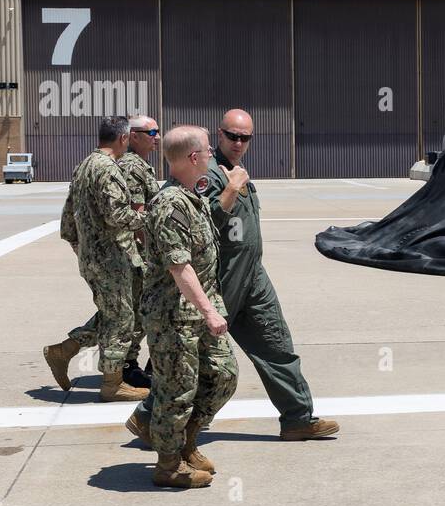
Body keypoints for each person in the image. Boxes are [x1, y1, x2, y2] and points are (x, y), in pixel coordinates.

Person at [127, 108, 338, 442]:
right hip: (221, 280)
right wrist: (229, 190)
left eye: (246, 138)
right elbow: (195, 223)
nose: (239, 143)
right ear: (220, 135)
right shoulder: (204, 174)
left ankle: (298, 416)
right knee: (196, 359)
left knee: (276, 345)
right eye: (232, 136)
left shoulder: (234, 170)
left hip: (251, 276)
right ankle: (150, 416)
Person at [141, 124, 238, 489]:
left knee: (223, 374)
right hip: (174, 315)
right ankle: (169, 465)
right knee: (176, 389)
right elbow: (179, 267)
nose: (213, 155)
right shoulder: (170, 205)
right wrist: (209, 311)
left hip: (197, 311)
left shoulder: (191, 196)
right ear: (194, 157)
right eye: (209, 151)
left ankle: (187, 442)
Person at [50, 116, 162, 390]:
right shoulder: (109, 170)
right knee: (122, 317)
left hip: (95, 257)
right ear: (124, 138)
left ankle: (65, 350)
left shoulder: (83, 166)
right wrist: (157, 217)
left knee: (116, 312)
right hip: (111, 257)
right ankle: (112, 384)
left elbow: (68, 217)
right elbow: (118, 215)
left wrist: (79, 247)